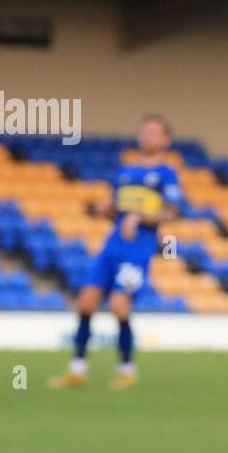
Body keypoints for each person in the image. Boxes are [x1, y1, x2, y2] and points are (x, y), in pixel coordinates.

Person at [48, 115, 182, 391]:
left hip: (137, 252)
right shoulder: (125, 173)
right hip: (112, 246)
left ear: (165, 140)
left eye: (154, 132)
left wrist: (140, 217)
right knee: (86, 302)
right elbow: (114, 211)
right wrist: (103, 210)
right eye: (144, 131)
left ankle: (126, 368)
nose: (147, 136)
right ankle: (77, 368)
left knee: (119, 306)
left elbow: (171, 212)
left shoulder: (167, 174)